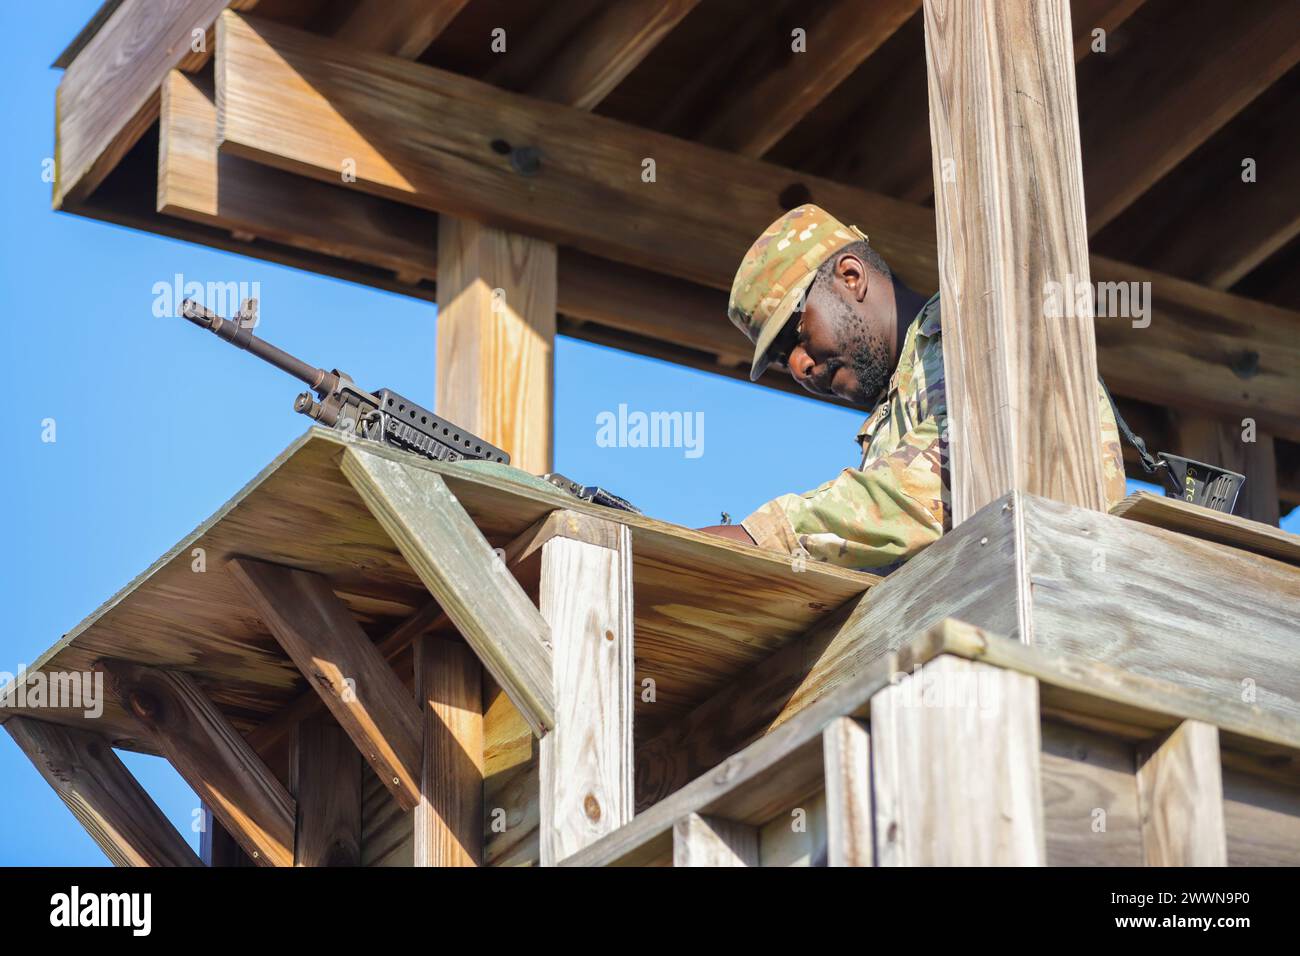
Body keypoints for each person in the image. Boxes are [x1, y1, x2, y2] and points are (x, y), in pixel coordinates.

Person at [700, 204, 1126, 572]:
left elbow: (954, 472)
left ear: (851, 277)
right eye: (781, 359)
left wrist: (759, 538)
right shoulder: (895, 402)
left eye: (796, 334)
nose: (799, 365)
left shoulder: (975, 322)